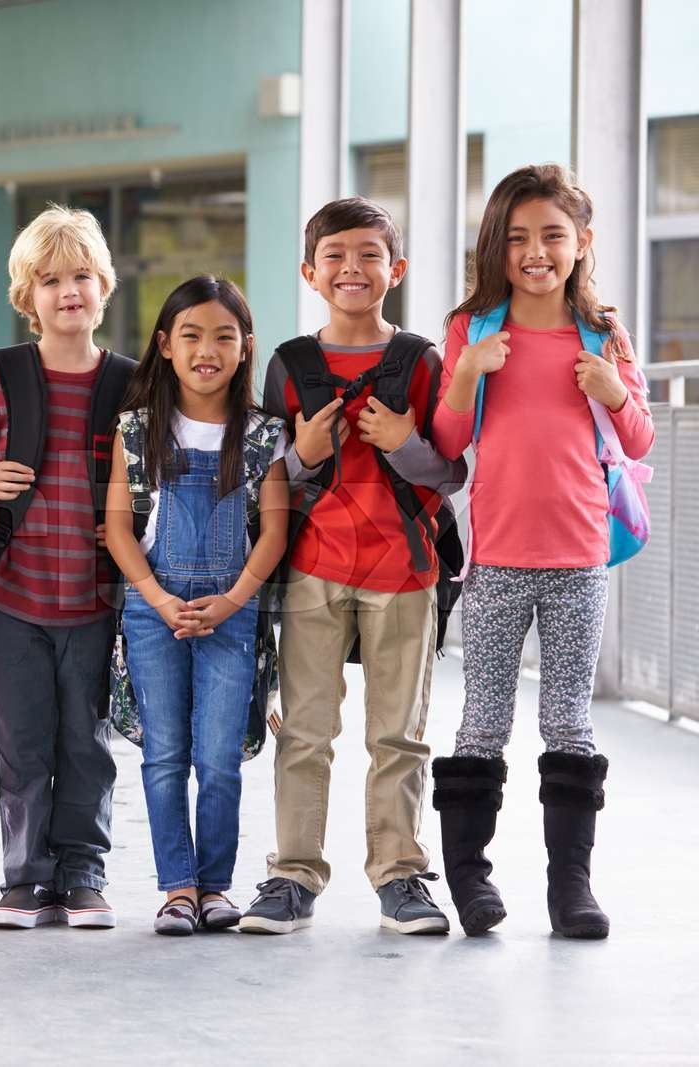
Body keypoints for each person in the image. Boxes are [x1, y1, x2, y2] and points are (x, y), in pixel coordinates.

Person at [430, 164, 654, 940]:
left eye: (552, 236)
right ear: (495, 246)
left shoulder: (603, 332)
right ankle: (470, 878)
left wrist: (613, 389)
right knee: (483, 719)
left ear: (582, 242)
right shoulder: (474, 330)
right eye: (517, 237)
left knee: (569, 722)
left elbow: (640, 437)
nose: (535, 252)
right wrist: (465, 373)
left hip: (580, 558)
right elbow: (447, 442)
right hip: (495, 560)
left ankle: (572, 890)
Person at [241, 197, 465, 936]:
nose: (352, 269)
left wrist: (402, 439)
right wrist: (302, 453)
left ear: (395, 270)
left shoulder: (421, 362)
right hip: (313, 570)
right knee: (304, 731)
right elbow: (267, 475)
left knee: (398, 735)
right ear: (310, 272)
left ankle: (400, 876)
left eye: (370, 254)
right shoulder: (291, 364)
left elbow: (449, 472)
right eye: (335, 256)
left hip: (405, 570)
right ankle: (292, 876)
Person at [0, 205, 137, 930]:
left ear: (104, 286)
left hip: (95, 599)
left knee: (85, 742)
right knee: (22, 739)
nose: (68, 290)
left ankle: (84, 871)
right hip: (14, 596)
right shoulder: (1, 374)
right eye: (50, 279)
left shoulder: (130, 383)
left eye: (81, 276)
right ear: (26, 296)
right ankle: (26, 876)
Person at [104, 275, 288, 935]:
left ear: (244, 349)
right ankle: (176, 886)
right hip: (153, 609)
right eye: (191, 335)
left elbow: (273, 530)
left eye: (223, 336)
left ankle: (215, 885)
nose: (206, 349)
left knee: (218, 757)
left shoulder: (264, 432)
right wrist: (156, 597)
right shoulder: (138, 428)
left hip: (231, 612)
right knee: (164, 755)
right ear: (165, 345)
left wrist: (233, 599)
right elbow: (120, 528)